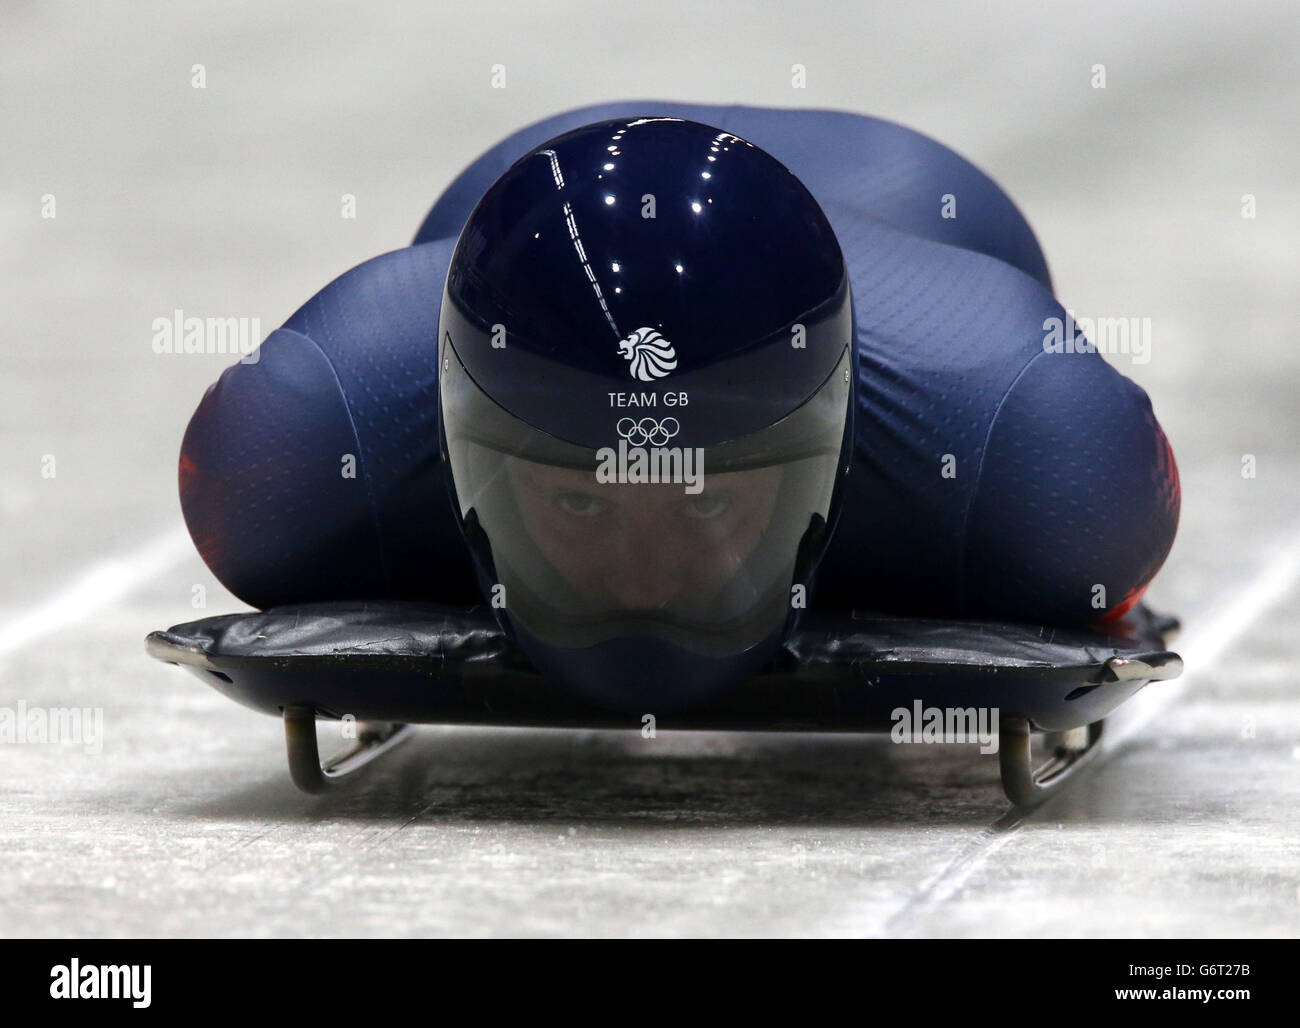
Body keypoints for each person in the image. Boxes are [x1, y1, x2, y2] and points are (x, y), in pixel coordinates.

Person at [178, 101, 1180, 703]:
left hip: (922, 201)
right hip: (512, 192)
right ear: (452, 426)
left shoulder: (1048, 456)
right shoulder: (295, 447)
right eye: (579, 499)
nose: (644, 584)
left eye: (702, 498)